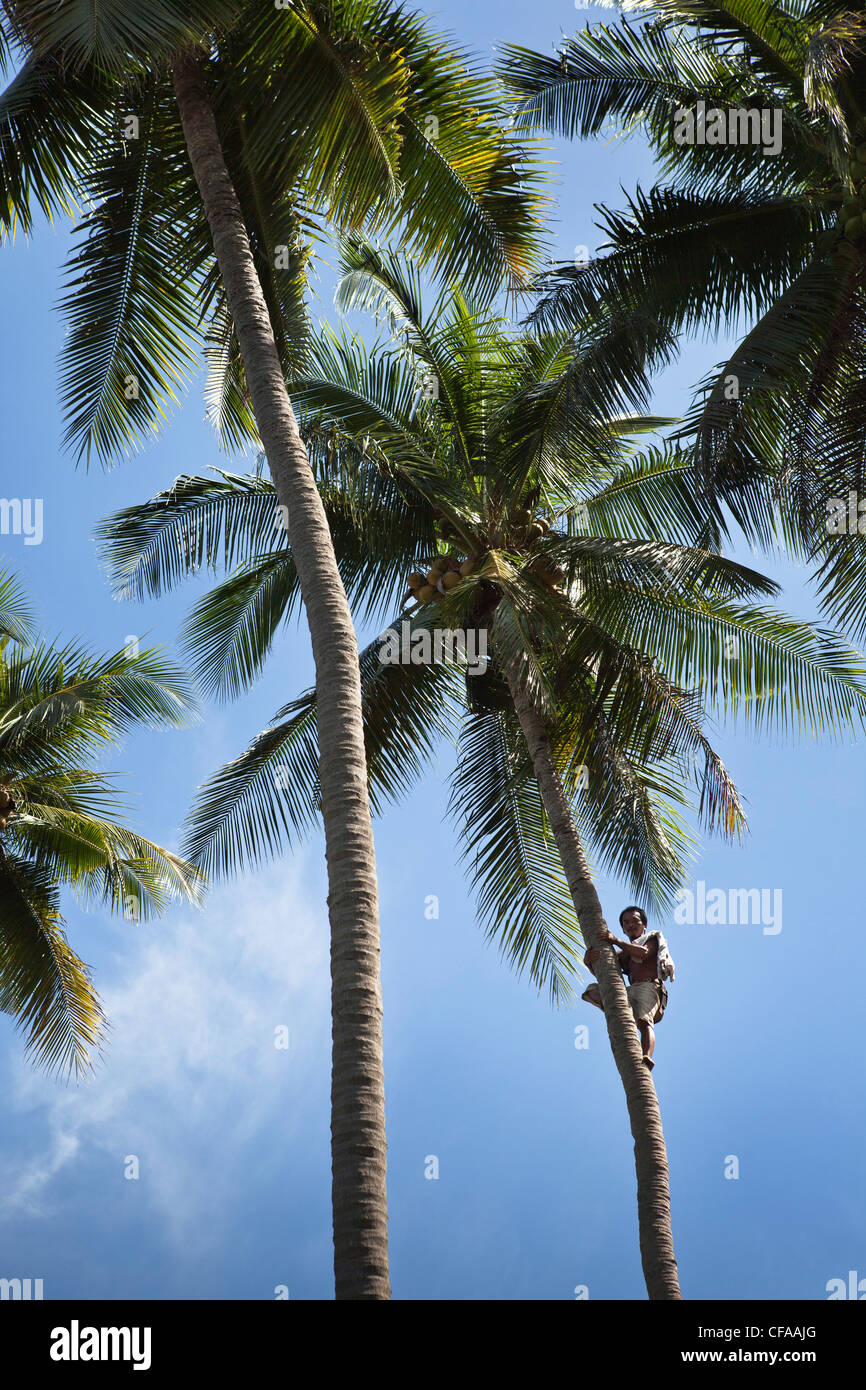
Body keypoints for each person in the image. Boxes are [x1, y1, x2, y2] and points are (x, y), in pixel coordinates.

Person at [580, 906, 675, 1071]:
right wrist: (588, 961)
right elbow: (604, 972)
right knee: (592, 991)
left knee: (645, 1022)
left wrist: (615, 941)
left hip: (650, 987)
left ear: (644, 925)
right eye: (626, 923)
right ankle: (612, 1007)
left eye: (635, 921)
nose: (630, 925)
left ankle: (647, 1056)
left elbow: (643, 953)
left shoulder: (651, 939)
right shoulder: (624, 954)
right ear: (623, 929)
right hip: (632, 991)